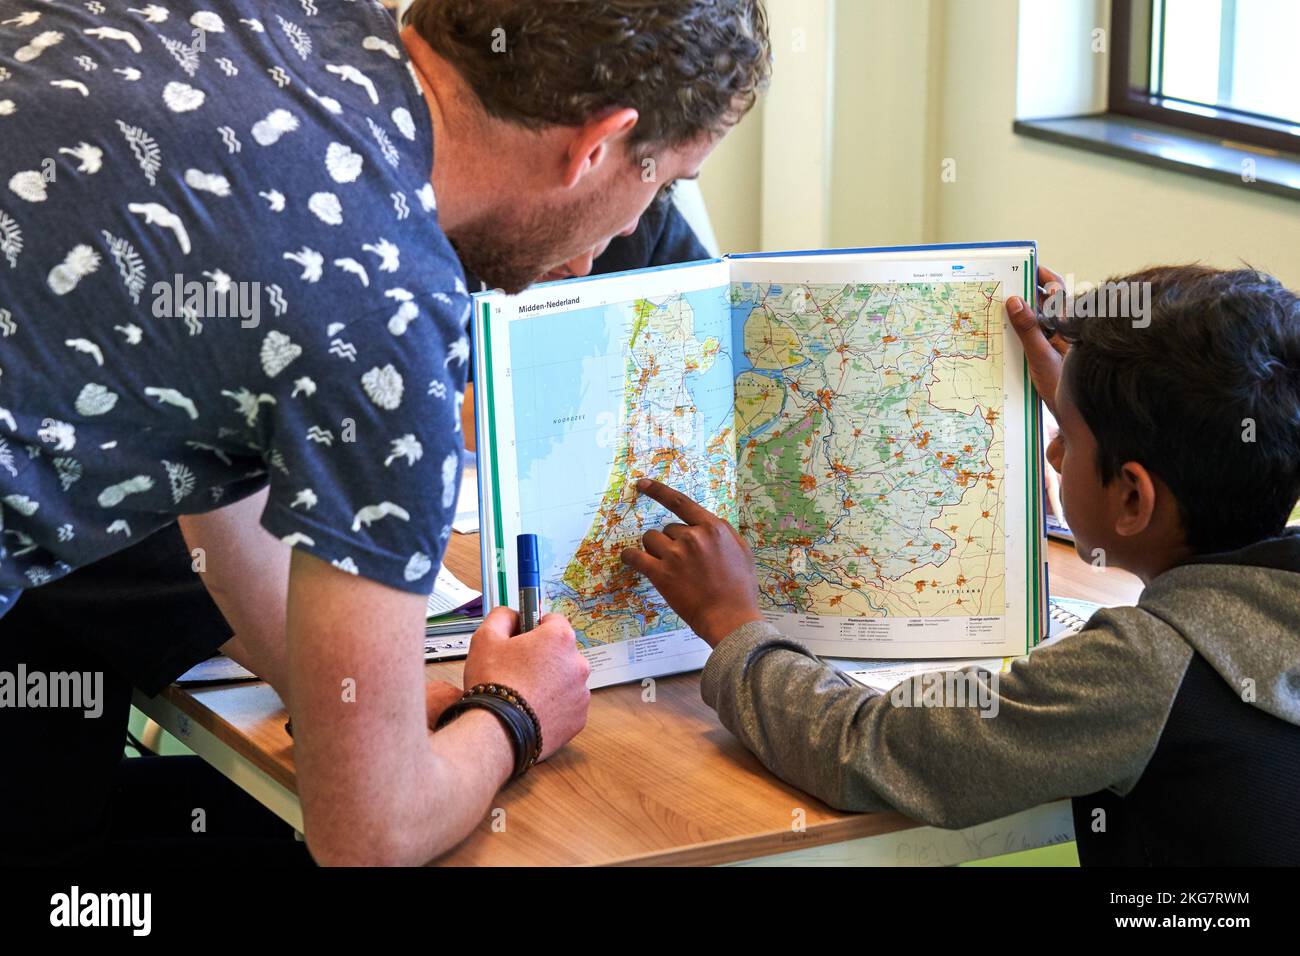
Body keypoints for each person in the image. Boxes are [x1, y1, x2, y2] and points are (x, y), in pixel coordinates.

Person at [0, 0, 770, 866]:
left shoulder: (274, 24)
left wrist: (385, 709)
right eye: (659, 182)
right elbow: (369, 834)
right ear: (598, 144)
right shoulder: (386, 309)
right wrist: (517, 716)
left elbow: (220, 488)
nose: (638, 225)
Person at [621, 264, 1300, 865]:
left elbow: (867, 748)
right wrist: (1091, 403)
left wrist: (731, 619)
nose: (1054, 452)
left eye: (1064, 433)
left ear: (1131, 496)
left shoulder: (1139, 672)